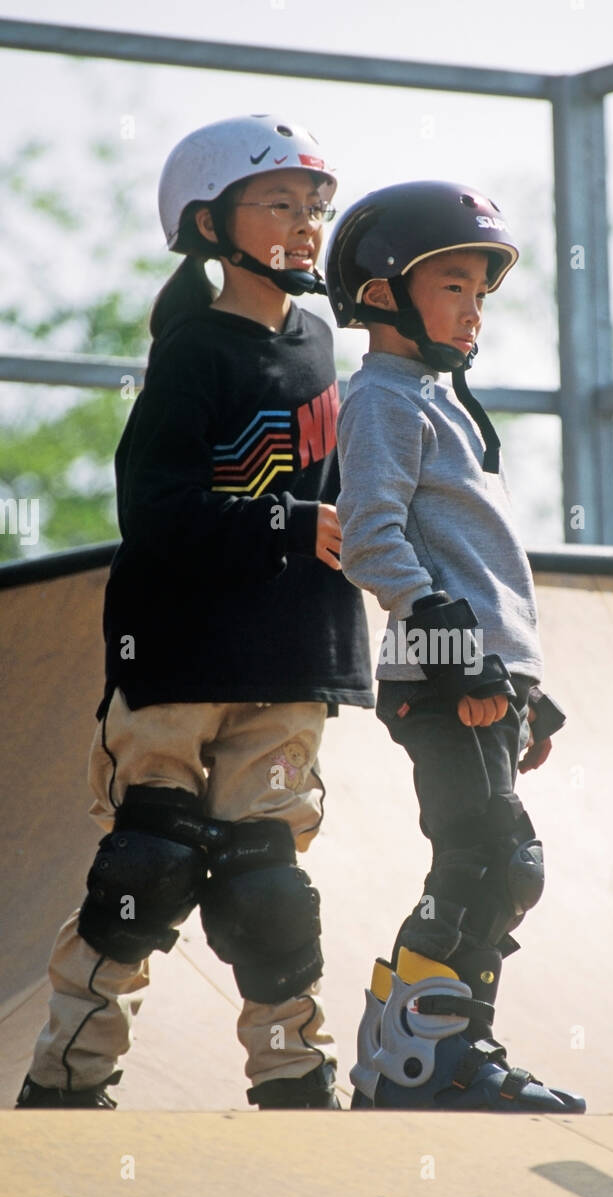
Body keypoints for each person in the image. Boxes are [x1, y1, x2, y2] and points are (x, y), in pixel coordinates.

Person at [16, 114, 373, 1113]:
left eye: (315, 207)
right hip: (176, 660)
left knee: (269, 889)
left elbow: (347, 501)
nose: (305, 226)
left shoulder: (320, 347)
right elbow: (156, 508)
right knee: (150, 867)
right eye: (280, 205)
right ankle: (66, 1084)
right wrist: (290, 525)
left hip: (289, 665)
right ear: (211, 222)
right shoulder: (193, 352)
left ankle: (295, 1077)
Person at [327, 180, 586, 1112]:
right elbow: (370, 536)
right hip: (441, 668)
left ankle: (445, 1050)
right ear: (382, 292)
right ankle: (414, 1061)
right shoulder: (384, 401)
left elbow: (474, 560)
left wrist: (523, 683)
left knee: (503, 863)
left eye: (481, 292)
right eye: (451, 287)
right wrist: (453, 645)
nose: (472, 309)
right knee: (480, 851)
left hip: (480, 667)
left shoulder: (443, 404)